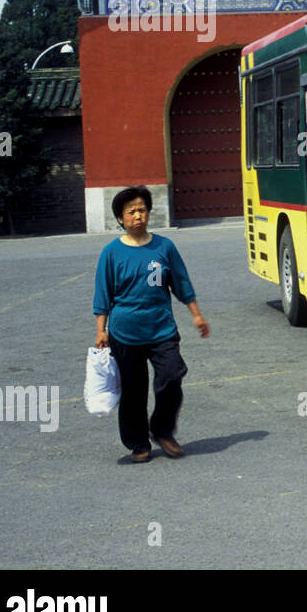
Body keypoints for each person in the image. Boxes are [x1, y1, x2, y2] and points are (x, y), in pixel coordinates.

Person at [93, 187, 209, 463]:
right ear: (120, 218)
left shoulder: (164, 247)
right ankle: (138, 443)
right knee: (133, 392)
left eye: (142, 209)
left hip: (162, 330)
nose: (138, 215)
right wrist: (101, 329)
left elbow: (181, 282)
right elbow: (103, 293)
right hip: (124, 332)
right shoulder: (111, 253)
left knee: (171, 376)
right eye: (131, 211)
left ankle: (162, 430)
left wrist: (196, 314)